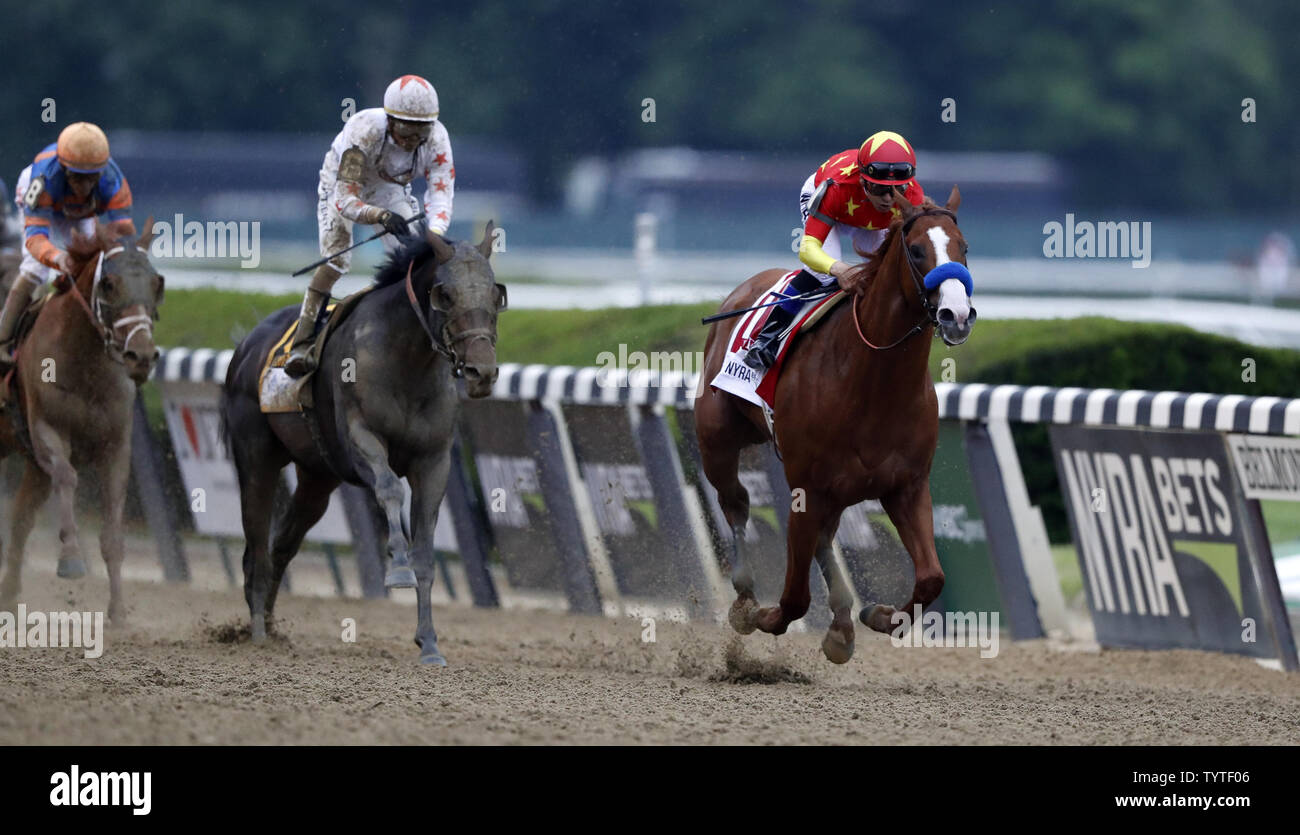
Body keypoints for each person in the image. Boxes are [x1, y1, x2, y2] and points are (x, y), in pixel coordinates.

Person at [285, 74, 455, 377]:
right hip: (343, 184)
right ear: (390, 120)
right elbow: (346, 200)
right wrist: (380, 217)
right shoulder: (362, 130)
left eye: (421, 132)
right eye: (405, 129)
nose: (412, 140)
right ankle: (303, 340)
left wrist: (435, 236)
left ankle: (418, 335)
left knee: (416, 258)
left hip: (388, 189)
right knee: (337, 260)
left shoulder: (439, 141)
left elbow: (441, 196)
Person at [742, 130, 925, 371]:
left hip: (871, 221)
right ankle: (766, 339)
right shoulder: (836, 187)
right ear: (862, 180)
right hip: (833, 208)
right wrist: (839, 269)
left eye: (897, 189)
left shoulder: (913, 196)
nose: (889, 199)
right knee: (823, 273)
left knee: (885, 273)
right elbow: (808, 250)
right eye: (879, 189)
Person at [0, 122, 134, 366]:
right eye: (76, 178)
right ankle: (3, 340)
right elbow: (35, 238)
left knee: (95, 263)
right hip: (48, 205)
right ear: (63, 169)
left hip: (78, 213)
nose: (83, 187)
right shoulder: (42, 180)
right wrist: (58, 258)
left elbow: (124, 233)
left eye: (90, 179)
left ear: (101, 173)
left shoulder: (113, 182)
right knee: (36, 269)